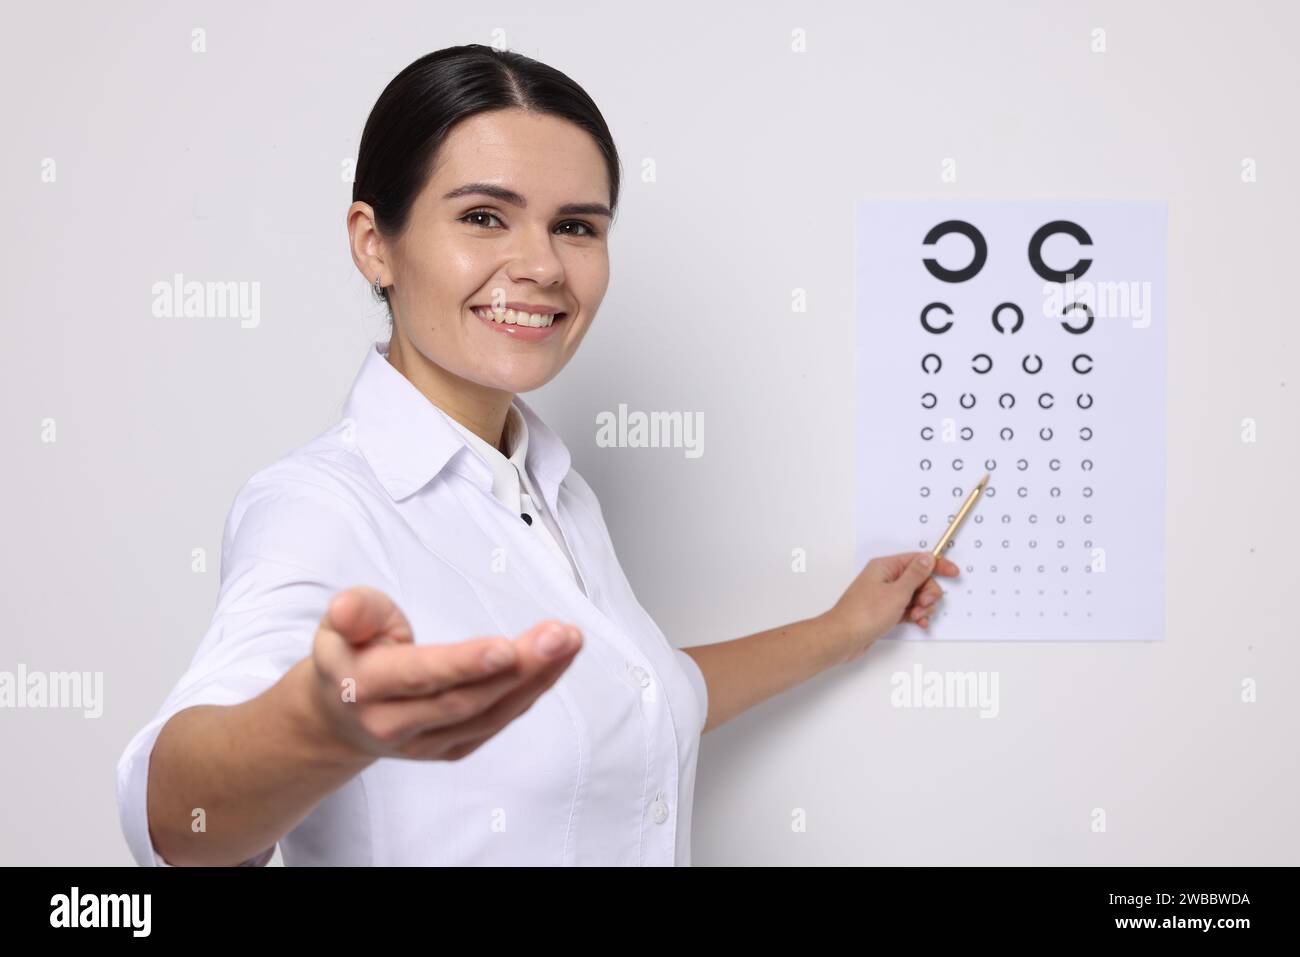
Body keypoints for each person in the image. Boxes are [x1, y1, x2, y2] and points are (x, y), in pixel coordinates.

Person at [115, 44, 959, 867]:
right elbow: (178, 819)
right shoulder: (320, 505)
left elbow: (639, 697)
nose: (544, 266)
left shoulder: (549, 487)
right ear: (375, 243)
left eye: (575, 227)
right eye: (484, 217)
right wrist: (319, 723)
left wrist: (843, 629)